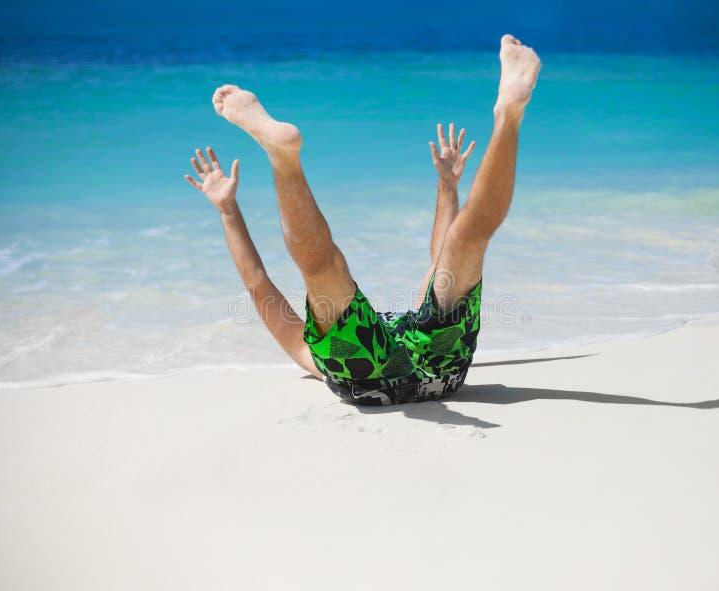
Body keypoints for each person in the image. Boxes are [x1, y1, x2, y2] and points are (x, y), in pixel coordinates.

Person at [183, 34, 541, 405]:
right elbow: (442, 261)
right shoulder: (410, 324)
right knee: (465, 240)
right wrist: (447, 187)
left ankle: (282, 157)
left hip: (374, 374)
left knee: (322, 267)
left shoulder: (319, 353)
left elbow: (258, 283)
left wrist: (228, 210)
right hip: (437, 361)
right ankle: (507, 115)